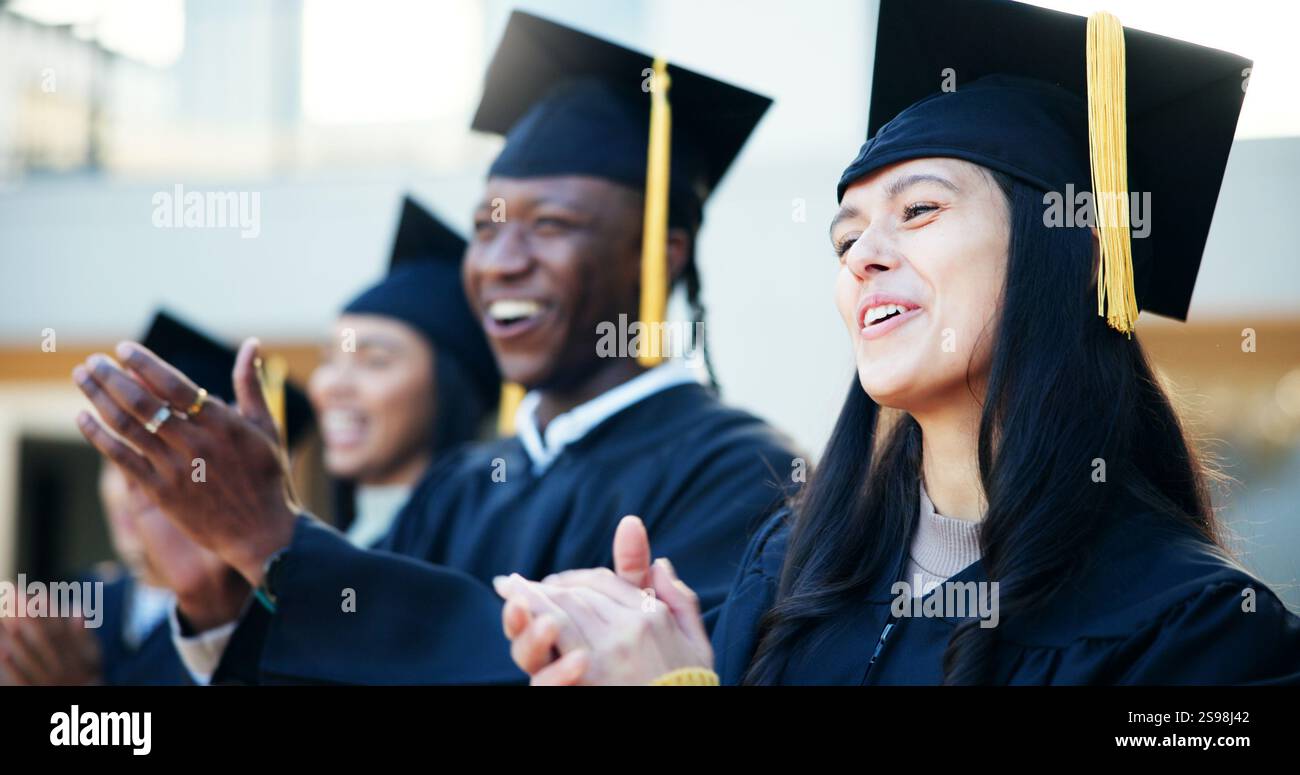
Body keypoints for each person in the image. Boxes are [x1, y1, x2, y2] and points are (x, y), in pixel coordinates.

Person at [494, 0, 1300, 685]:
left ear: (1076, 245)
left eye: (918, 211)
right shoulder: (790, 567)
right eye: (844, 240)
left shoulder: (1202, 633)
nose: (863, 256)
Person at [72, 12, 800, 684]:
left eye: (548, 224)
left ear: (659, 253)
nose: (500, 261)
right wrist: (224, 592)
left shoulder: (742, 473)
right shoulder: (457, 483)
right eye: (486, 227)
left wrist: (278, 541)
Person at [314, 195, 500, 548]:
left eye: (376, 361)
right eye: (329, 359)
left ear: (449, 388)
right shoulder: (340, 542)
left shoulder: (478, 552)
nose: (335, 385)